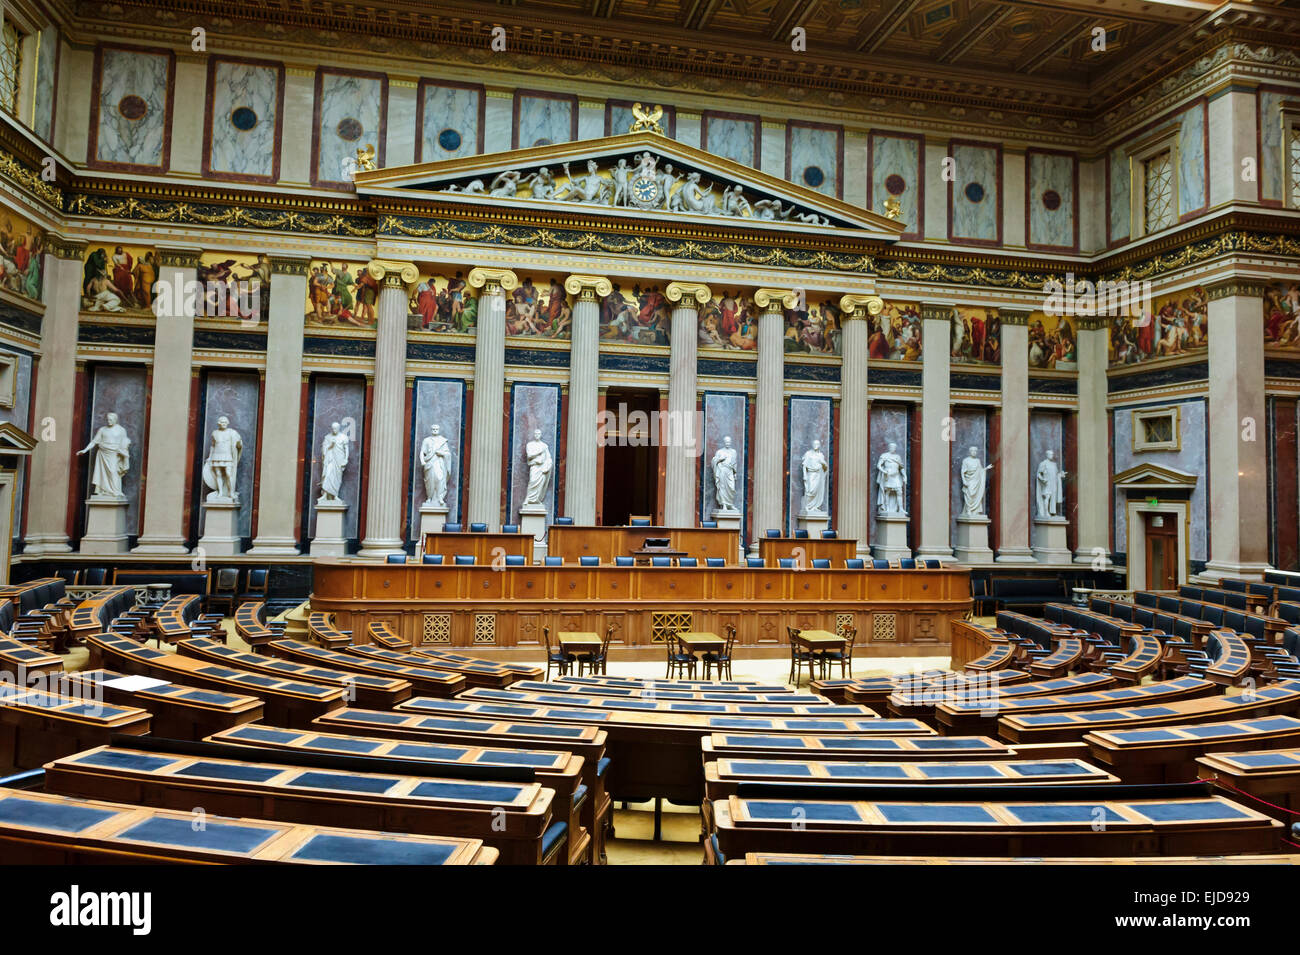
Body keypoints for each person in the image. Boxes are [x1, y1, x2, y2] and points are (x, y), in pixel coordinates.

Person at [77, 412, 131, 499]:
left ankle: (116, 491)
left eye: (111, 420)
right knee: (102, 473)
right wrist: (85, 450)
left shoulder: (121, 430)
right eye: (108, 419)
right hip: (103, 453)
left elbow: (125, 442)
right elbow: (94, 441)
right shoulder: (102, 430)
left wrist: (124, 455)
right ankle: (103, 491)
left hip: (114, 453)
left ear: (115, 420)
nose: (109, 421)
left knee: (113, 471)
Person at [202, 416, 243, 502]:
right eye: (222, 422)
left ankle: (230, 492)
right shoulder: (214, 433)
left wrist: (238, 442)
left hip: (227, 455)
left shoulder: (232, 432)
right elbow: (213, 446)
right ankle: (220, 492)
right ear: (219, 423)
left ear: (227, 423)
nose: (223, 424)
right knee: (218, 474)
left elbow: (239, 443)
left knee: (228, 474)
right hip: (216, 455)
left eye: (225, 422)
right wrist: (210, 457)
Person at [420, 424, 452, 507]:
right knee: (430, 481)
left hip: (439, 463)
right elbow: (422, 452)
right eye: (433, 429)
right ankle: (429, 497)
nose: (435, 430)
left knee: (439, 478)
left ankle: (439, 497)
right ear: (431, 430)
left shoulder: (443, 441)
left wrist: (441, 453)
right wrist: (422, 461)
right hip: (429, 463)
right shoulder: (426, 440)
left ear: (439, 430)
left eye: (436, 429)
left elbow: (448, 454)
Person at [318, 422, 349, 504]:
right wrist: (330, 445)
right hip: (330, 460)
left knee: (337, 477)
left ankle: (335, 495)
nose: (334, 430)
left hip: (339, 460)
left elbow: (346, 449)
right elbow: (324, 450)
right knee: (328, 474)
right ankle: (325, 495)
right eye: (333, 428)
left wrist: (345, 459)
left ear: (339, 428)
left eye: (335, 428)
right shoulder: (328, 437)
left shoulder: (343, 437)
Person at [959, 446, 992, 517]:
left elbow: (980, 470)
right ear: (970, 452)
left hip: (976, 481)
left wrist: (986, 468)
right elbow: (962, 471)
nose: (974, 452)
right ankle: (969, 510)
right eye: (972, 451)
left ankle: (975, 511)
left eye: (975, 451)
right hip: (970, 481)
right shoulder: (966, 460)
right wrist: (964, 480)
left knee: (976, 496)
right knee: (970, 494)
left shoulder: (978, 460)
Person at [876, 442, 907, 515]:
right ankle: (887, 508)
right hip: (888, 476)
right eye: (892, 447)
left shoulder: (897, 457)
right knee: (888, 492)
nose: (893, 449)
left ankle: (901, 509)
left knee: (899, 492)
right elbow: (879, 465)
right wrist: (883, 471)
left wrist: (904, 476)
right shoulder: (884, 456)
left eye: (894, 447)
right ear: (889, 447)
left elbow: (901, 468)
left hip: (896, 476)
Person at [523, 429, 552, 505]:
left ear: (541, 435)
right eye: (535, 434)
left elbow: (548, 457)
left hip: (542, 468)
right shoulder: (530, 445)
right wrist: (539, 452)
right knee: (532, 482)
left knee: (540, 485)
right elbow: (529, 455)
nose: (537, 435)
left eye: (538, 434)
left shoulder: (544, 446)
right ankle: (528, 499)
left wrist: (547, 467)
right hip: (534, 466)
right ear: (534, 435)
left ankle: (536, 500)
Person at [801, 440, 828, 515]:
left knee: (817, 491)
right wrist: (805, 475)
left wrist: (824, 464)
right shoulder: (808, 454)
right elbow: (804, 465)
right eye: (815, 443)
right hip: (811, 474)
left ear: (819, 445)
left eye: (818, 444)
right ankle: (808, 506)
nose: (816, 445)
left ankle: (815, 507)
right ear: (812, 444)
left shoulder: (821, 455)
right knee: (811, 490)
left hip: (819, 475)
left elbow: (825, 467)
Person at [711, 436, 738, 511]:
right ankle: (724, 504)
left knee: (731, 487)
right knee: (722, 487)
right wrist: (720, 459)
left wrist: (735, 473)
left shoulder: (733, 452)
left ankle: (730, 504)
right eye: (726, 442)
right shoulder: (720, 452)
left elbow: (735, 463)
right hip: (722, 470)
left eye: (729, 442)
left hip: (730, 471)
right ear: (724, 442)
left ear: (731, 442)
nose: (728, 443)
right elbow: (713, 461)